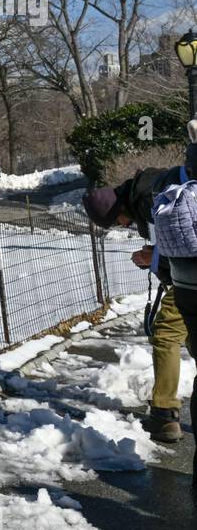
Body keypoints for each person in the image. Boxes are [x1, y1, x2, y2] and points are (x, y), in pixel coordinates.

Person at [83, 151, 196, 448]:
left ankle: (164, 413)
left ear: (117, 208)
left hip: (189, 277)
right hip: (187, 272)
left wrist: (152, 258)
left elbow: (177, 243)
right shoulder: (153, 183)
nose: (122, 226)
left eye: (116, 221)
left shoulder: (149, 199)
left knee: (166, 335)